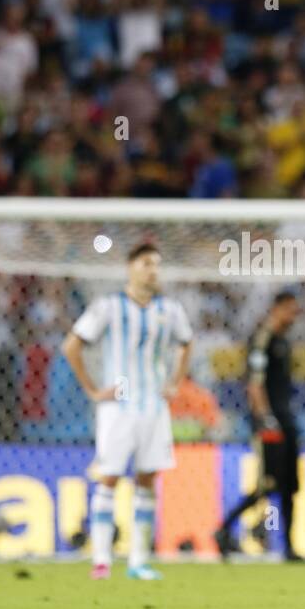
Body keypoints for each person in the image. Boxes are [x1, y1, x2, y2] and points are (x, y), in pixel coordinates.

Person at [61, 243, 193, 580]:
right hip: (118, 407)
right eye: (147, 263)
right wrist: (93, 390)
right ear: (130, 267)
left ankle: (138, 561)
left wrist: (175, 382)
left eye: (157, 264)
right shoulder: (108, 307)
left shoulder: (171, 310)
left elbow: (187, 342)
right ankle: (102, 560)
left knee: (148, 479)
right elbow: (71, 345)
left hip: (154, 406)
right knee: (110, 477)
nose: (153, 270)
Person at [214, 291, 303, 561]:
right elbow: (253, 384)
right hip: (270, 422)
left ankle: (289, 548)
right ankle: (225, 528)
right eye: (290, 309)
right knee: (268, 483)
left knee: (289, 486)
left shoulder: (284, 342)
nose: (294, 315)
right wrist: (265, 418)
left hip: (286, 420)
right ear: (277, 309)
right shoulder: (261, 340)